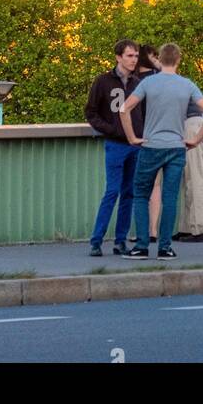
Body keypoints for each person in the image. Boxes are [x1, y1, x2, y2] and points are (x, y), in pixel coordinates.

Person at [120, 42, 203, 258]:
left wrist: (132, 137)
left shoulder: (148, 83)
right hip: (176, 147)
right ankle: (165, 248)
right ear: (178, 60)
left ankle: (142, 245)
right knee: (170, 198)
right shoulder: (187, 84)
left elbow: (124, 109)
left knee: (141, 195)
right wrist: (196, 140)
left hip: (151, 146)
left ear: (160, 59)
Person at [85, 39, 141, 257]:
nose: (133, 60)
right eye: (129, 56)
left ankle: (120, 240)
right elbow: (91, 112)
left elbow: (144, 111)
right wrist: (110, 129)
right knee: (112, 191)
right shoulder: (103, 81)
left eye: (136, 56)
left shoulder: (138, 83)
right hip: (115, 144)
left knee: (129, 193)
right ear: (118, 57)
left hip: (135, 145)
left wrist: (140, 134)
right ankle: (96, 240)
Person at [174, 96, 203, 242]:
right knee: (190, 177)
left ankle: (200, 229)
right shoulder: (187, 85)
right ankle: (187, 228)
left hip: (191, 126)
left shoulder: (160, 85)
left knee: (194, 178)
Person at [136, 44, 163, 242]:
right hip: (160, 134)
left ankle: (143, 232)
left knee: (140, 186)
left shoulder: (135, 81)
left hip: (141, 136)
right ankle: (153, 230)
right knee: (156, 185)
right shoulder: (160, 79)